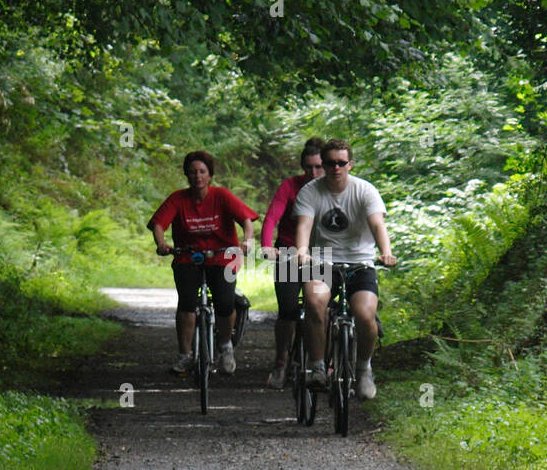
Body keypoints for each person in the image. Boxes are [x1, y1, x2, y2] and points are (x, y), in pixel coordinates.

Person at [293, 138, 397, 400]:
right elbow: (304, 225)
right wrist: (302, 251)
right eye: (330, 163)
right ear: (323, 164)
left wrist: (385, 251)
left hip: (360, 261)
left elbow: (376, 224)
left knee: (365, 315)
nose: (335, 168)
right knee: (315, 304)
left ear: (350, 164)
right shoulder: (310, 191)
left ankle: (363, 369)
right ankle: (317, 367)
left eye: (341, 163)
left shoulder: (365, 190)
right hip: (323, 260)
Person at [148, 150, 258, 376]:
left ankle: (225, 347)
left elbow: (246, 219)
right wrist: (161, 243)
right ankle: (185, 355)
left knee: (225, 302)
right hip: (189, 255)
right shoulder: (178, 199)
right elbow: (159, 224)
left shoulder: (222, 196)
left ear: (209, 175)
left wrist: (247, 241)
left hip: (223, 255)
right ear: (187, 176)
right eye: (192, 172)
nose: (197, 176)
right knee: (187, 302)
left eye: (202, 172)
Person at [259, 138, 325, 388]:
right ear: (302, 167)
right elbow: (272, 216)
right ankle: (281, 362)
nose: (314, 173)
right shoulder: (290, 186)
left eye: (319, 167)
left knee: (323, 309)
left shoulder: (330, 188)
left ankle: (324, 360)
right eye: (309, 167)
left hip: (321, 253)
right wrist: (267, 246)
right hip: (288, 252)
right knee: (287, 310)